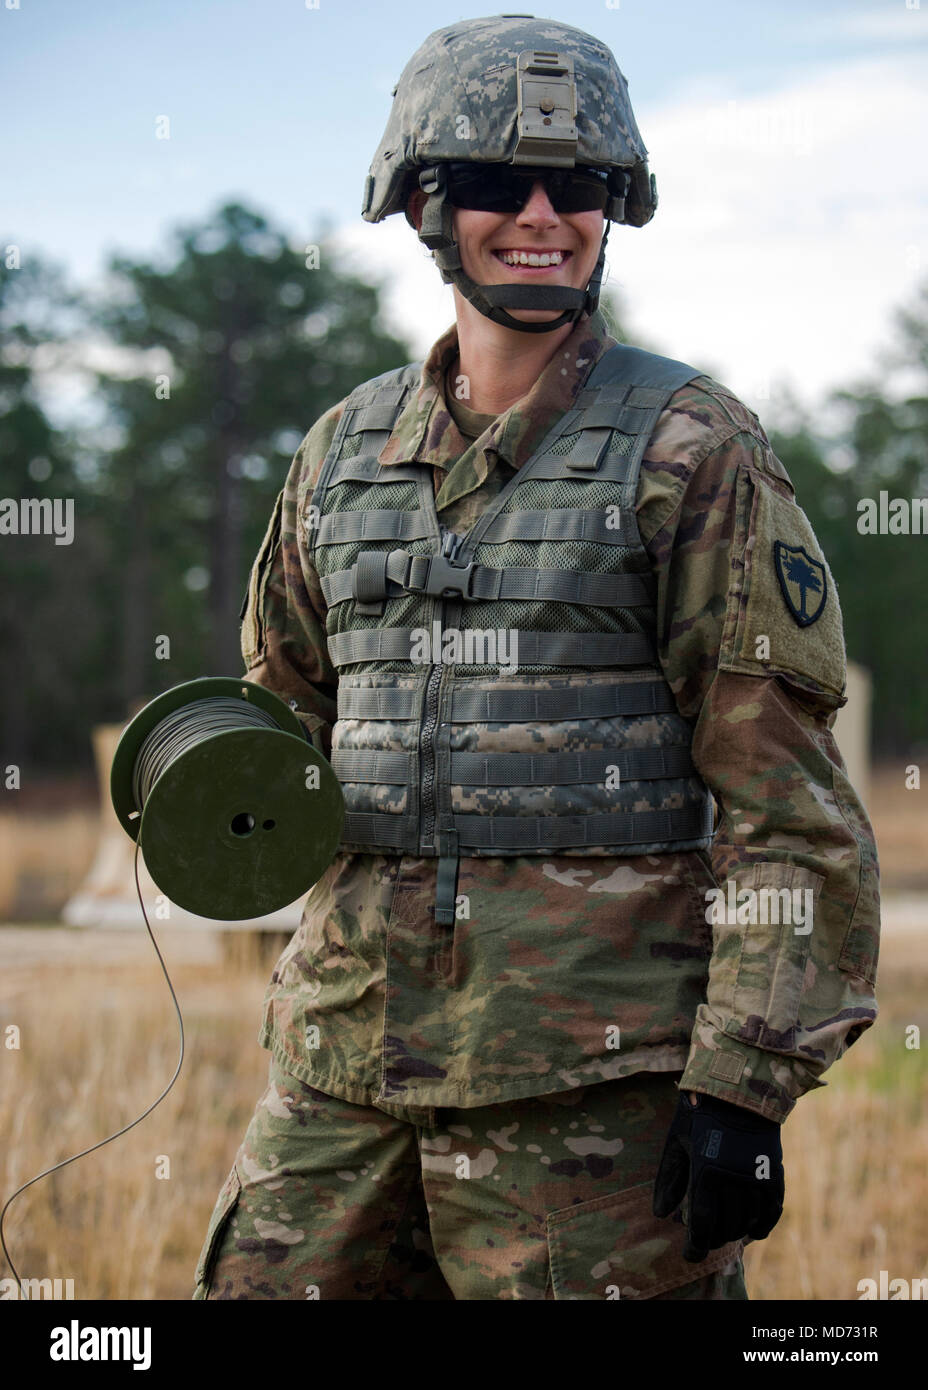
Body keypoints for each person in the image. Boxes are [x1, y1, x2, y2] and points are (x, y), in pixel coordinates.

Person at [193, 14, 879, 1301]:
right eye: (498, 185)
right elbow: (273, 735)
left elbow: (790, 813)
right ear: (422, 208)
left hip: (590, 1105)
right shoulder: (341, 455)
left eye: (580, 187)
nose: (543, 216)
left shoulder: (690, 450)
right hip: (345, 1083)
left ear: (616, 208)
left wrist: (746, 1083)